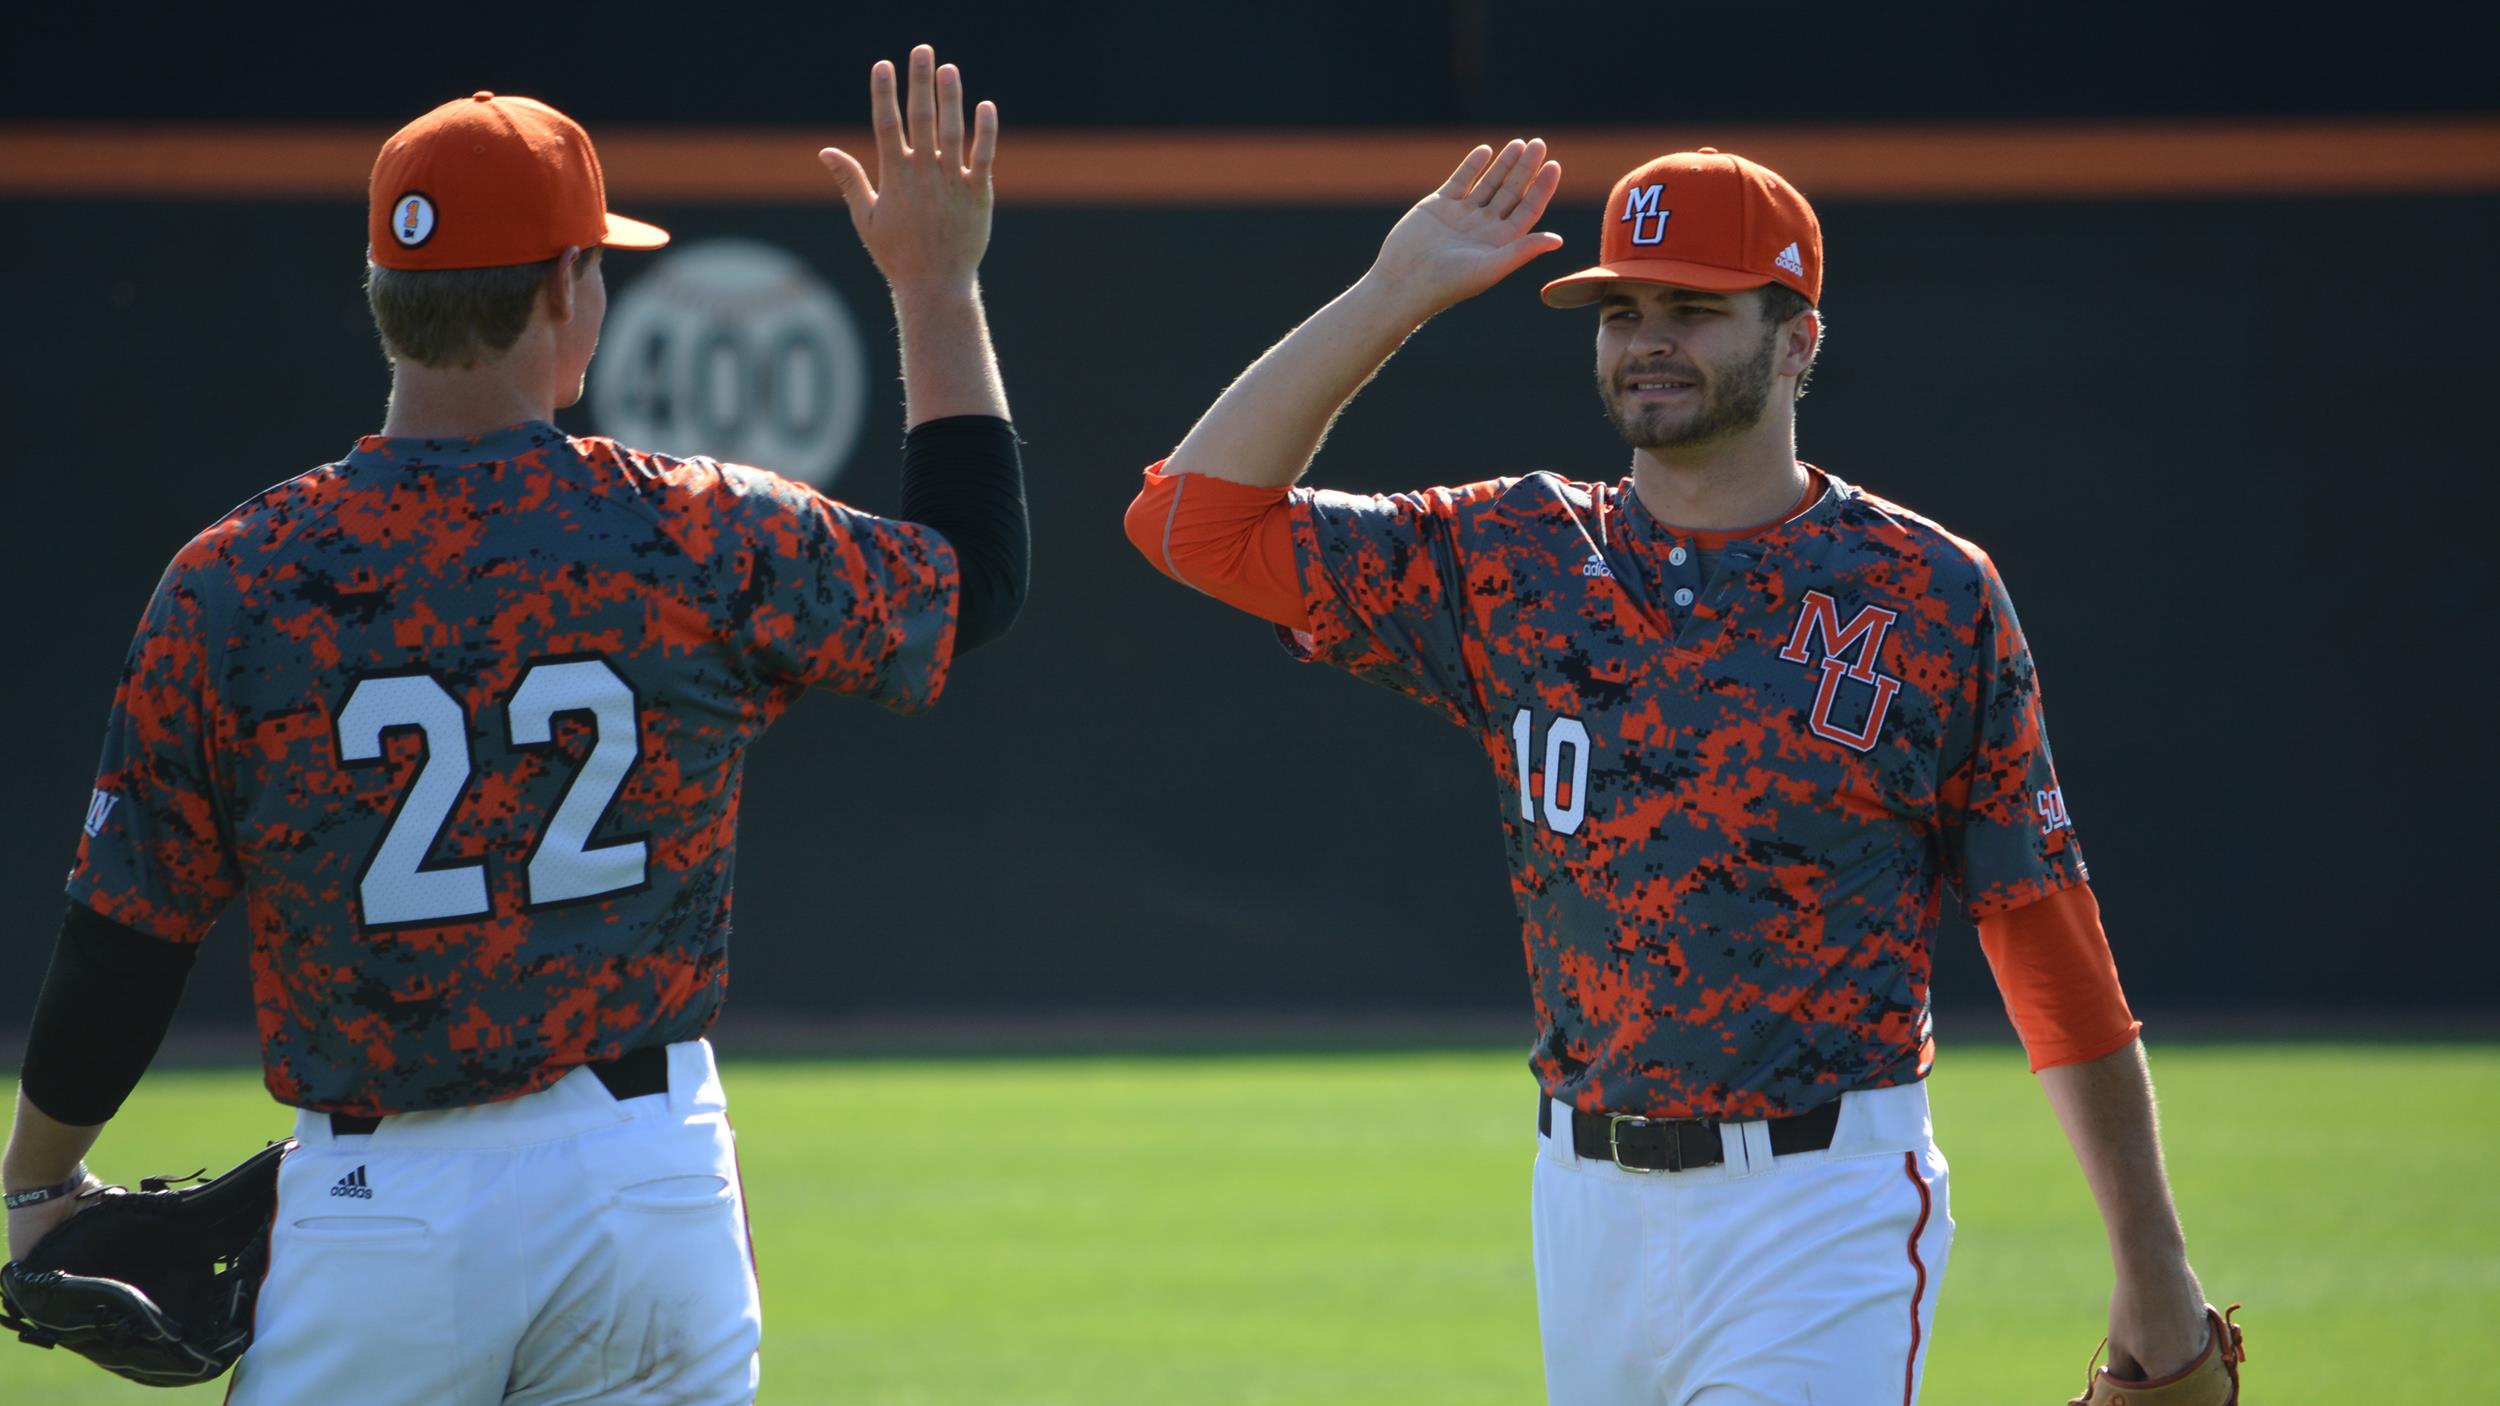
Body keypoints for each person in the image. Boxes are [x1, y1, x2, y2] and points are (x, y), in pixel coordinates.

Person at [1123, 142, 2231, 1401]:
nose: (1646, 339)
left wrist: (2151, 1261)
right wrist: (1392, 295)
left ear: (1798, 338)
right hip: (1581, 1208)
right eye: (1622, 310)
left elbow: (2040, 930)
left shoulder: (1924, 594)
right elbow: (1187, 524)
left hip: (1818, 1207)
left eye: (1695, 308)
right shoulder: (1513, 556)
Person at [3, 45, 1022, 1405]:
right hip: (643, 1184)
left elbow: (127, 937)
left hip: (375, 1203)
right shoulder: (691, 531)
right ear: (564, 290)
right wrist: (936, 282)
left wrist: (40, 1180)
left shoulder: (239, 577)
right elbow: (973, 583)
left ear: (386, 297)